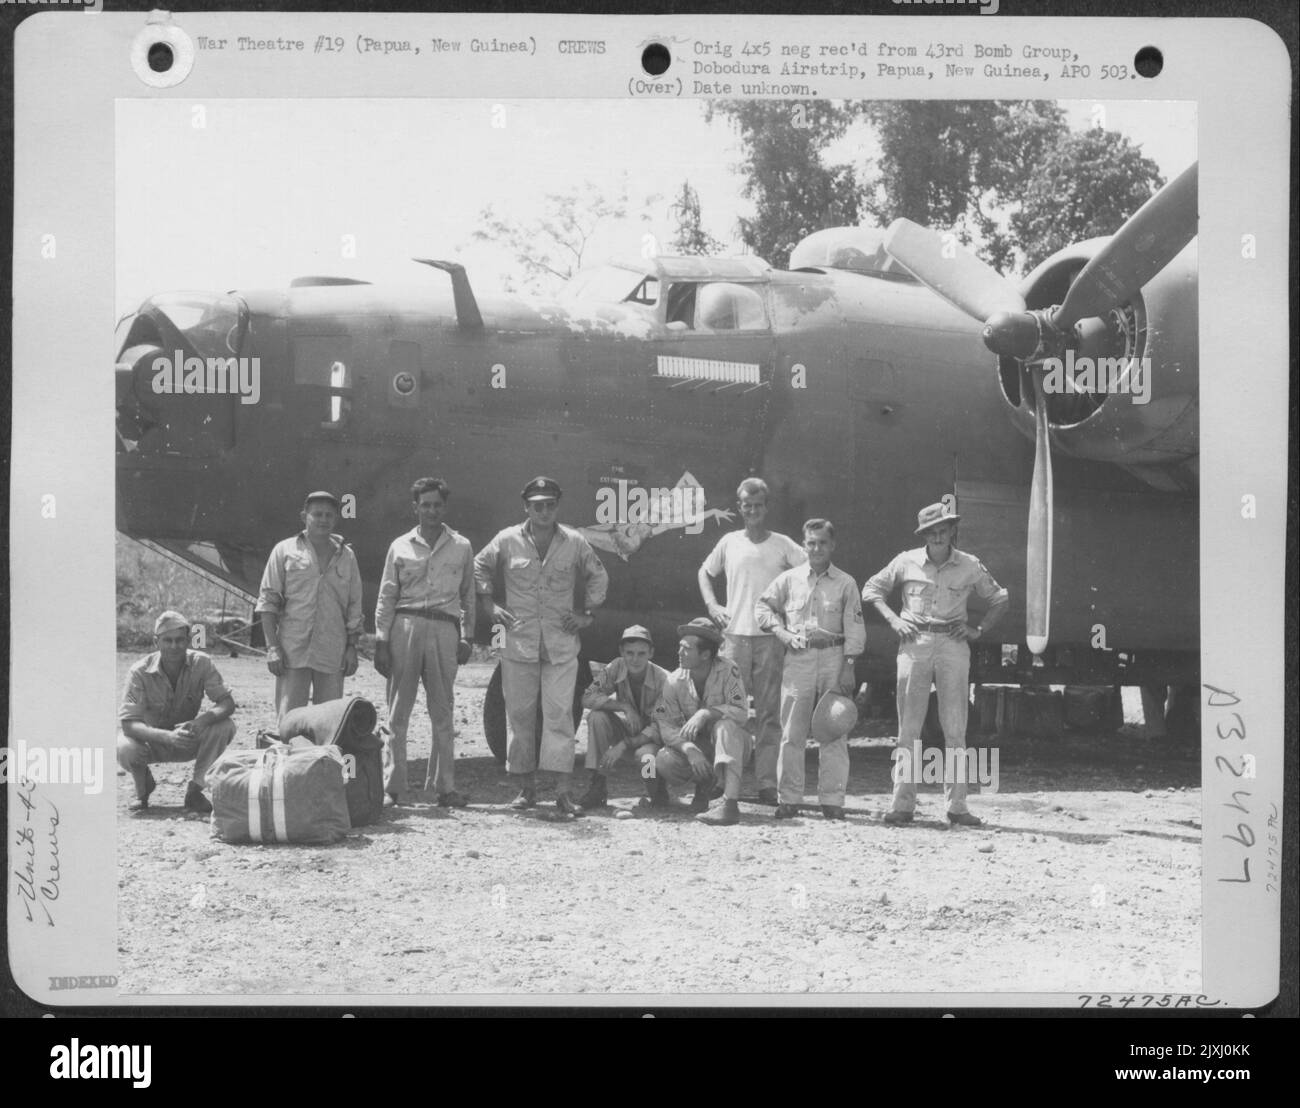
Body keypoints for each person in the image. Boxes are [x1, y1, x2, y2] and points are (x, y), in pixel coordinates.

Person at [862, 503, 1009, 827]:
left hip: (953, 646)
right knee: (908, 728)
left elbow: (999, 598)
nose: (939, 535)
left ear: (952, 531)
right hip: (915, 645)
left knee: (955, 728)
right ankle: (902, 805)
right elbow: (872, 589)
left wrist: (979, 629)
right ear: (925, 534)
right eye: (933, 530)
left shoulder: (969, 565)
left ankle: (957, 806)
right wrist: (893, 620)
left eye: (945, 528)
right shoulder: (906, 560)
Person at [474, 477, 609, 818]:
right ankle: (526, 789)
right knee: (519, 717)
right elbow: (479, 565)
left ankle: (563, 792)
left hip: (561, 646)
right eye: (537, 505)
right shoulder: (507, 540)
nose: (544, 511)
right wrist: (489, 605)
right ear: (526, 507)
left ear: (557, 507)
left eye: (550, 505)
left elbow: (598, 575)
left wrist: (587, 615)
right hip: (518, 643)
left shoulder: (574, 541)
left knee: (560, 717)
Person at [697, 477, 806, 804]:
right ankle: (725, 781)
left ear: (766, 507)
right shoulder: (730, 541)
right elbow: (705, 572)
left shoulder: (783, 544)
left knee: (770, 714)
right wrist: (712, 605)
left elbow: (809, 572)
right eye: (747, 505)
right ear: (740, 507)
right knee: (730, 712)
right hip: (734, 640)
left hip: (770, 640)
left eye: (759, 505)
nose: (753, 511)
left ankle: (766, 785)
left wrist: (792, 615)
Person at [374, 477, 476, 807]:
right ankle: (393, 787)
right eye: (425, 505)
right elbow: (387, 595)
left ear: (444, 508)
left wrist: (467, 636)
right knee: (397, 712)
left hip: (445, 629)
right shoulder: (399, 546)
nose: (431, 511)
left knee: (443, 711)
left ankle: (444, 788)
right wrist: (381, 640)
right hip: (406, 626)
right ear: (415, 507)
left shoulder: (461, 546)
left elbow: (469, 595)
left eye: (437, 505)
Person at [755, 518, 865, 820]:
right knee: (792, 731)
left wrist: (849, 665)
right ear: (804, 545)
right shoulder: (789, 580)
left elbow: (855, 628)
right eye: (811, 542)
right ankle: (789, 798)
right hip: (799, 659)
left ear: (832, 545)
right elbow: (762, 607)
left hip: (834, 656)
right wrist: (782, 633)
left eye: (822, 542)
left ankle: (832, 800)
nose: (816, 548)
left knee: (834, 729)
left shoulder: (845, 583)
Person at [255, 490, 363, 723]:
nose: (323, 520)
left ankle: (323, 761)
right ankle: (290, 759)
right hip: (293, 650)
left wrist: (352, 647)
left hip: (332, 650)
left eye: (328, 515)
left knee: (329, 722)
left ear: (336, 519)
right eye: (317, 514)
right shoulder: (284, 550)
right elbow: (267, 602)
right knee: (289, 721)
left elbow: (355, 606)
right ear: (304, 516)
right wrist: (272, 648)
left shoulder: (347, 556)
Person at [117, 610, 238, 814]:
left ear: (188, 641)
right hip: (153, 741)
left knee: (224, 726)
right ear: (157, 642)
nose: (174, 646)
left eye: (180, 640)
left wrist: (201, 722)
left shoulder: (202, 663)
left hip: (188, 738)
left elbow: (226, 703)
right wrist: (167, 736)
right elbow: (128, 724)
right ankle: (143, 790)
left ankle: (195, 791)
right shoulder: (139, 671)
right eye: (168, 641)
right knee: (125, 746)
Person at [646, 618, 751, 826]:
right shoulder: (674, 680)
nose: (679, 652)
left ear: (705, 654)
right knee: (654, 758)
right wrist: (688, 748)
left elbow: (741, 712)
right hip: (681, 744)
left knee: (726, 725)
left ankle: (729, 804)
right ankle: (664, 793)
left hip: (728, 745)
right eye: (680, 647)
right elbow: (665, 724)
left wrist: (706, 713)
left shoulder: (729, 670)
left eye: (686, 649)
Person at [575, 625, 670, 810]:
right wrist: (623, 706)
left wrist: (623, 744)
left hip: (654, 739)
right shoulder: (616, 667)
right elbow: (587, 697)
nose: (635, 659)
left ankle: (656, 790)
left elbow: (660, 727)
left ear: (651, 653)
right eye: (629, 653)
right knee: (597, 717)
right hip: (630, 729)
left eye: (641, 653)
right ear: (621, 652)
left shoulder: (664, 679)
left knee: (647, 760)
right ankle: (598, 785)